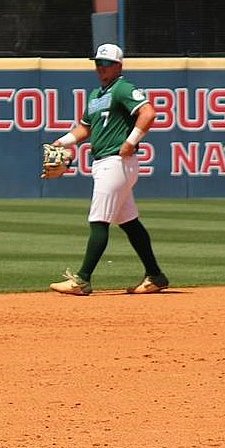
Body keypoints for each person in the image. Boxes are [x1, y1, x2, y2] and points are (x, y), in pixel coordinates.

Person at [47, 43, 169, 296]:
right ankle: (155, 275)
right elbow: (86, 129)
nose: (100, 69)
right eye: (97, 64)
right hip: (104, 162)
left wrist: (131, 141)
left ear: (118, 66)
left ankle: (82, 280)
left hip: (117, 162)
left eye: (105, 64)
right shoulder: (95, 95)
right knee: (129, 223)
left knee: (98, 220)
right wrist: (63, 141)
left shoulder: (123, 88)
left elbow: (148, 112)